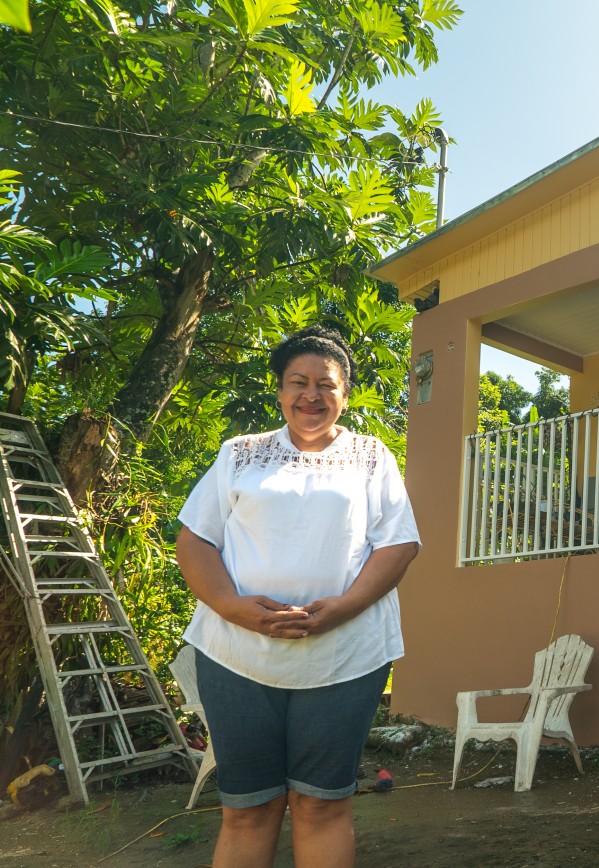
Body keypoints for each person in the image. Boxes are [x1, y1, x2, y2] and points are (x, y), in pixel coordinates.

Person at [175, 324, 420, 868]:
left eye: (326, 385)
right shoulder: (240, 454)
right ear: (280, 392)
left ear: (345, 393)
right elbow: (195, 540)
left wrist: (345, 608)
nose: (312, 395)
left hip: (346, 655)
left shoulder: (371, 456)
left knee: (320, 805)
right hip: (236, 656)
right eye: (298, 382)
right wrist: (235, 609)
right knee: (247, 809)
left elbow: (399, 544)